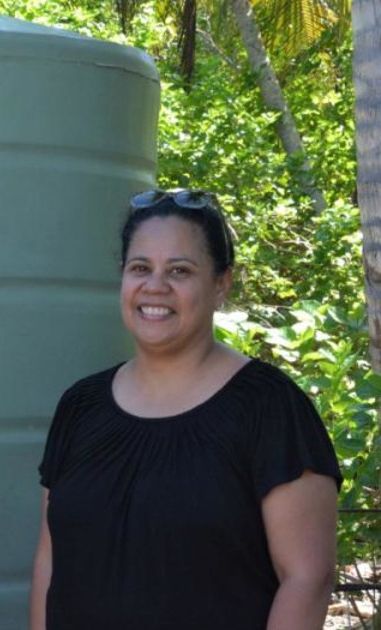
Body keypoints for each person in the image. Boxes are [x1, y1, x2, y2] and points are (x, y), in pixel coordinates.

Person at [29, 189, 342, 630]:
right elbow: (50, 559)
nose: (155, 286)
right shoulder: (80, 406)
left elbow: (308, 578)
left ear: (221, 283)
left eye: (180, 270)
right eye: (141, 268)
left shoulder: (269, 407)